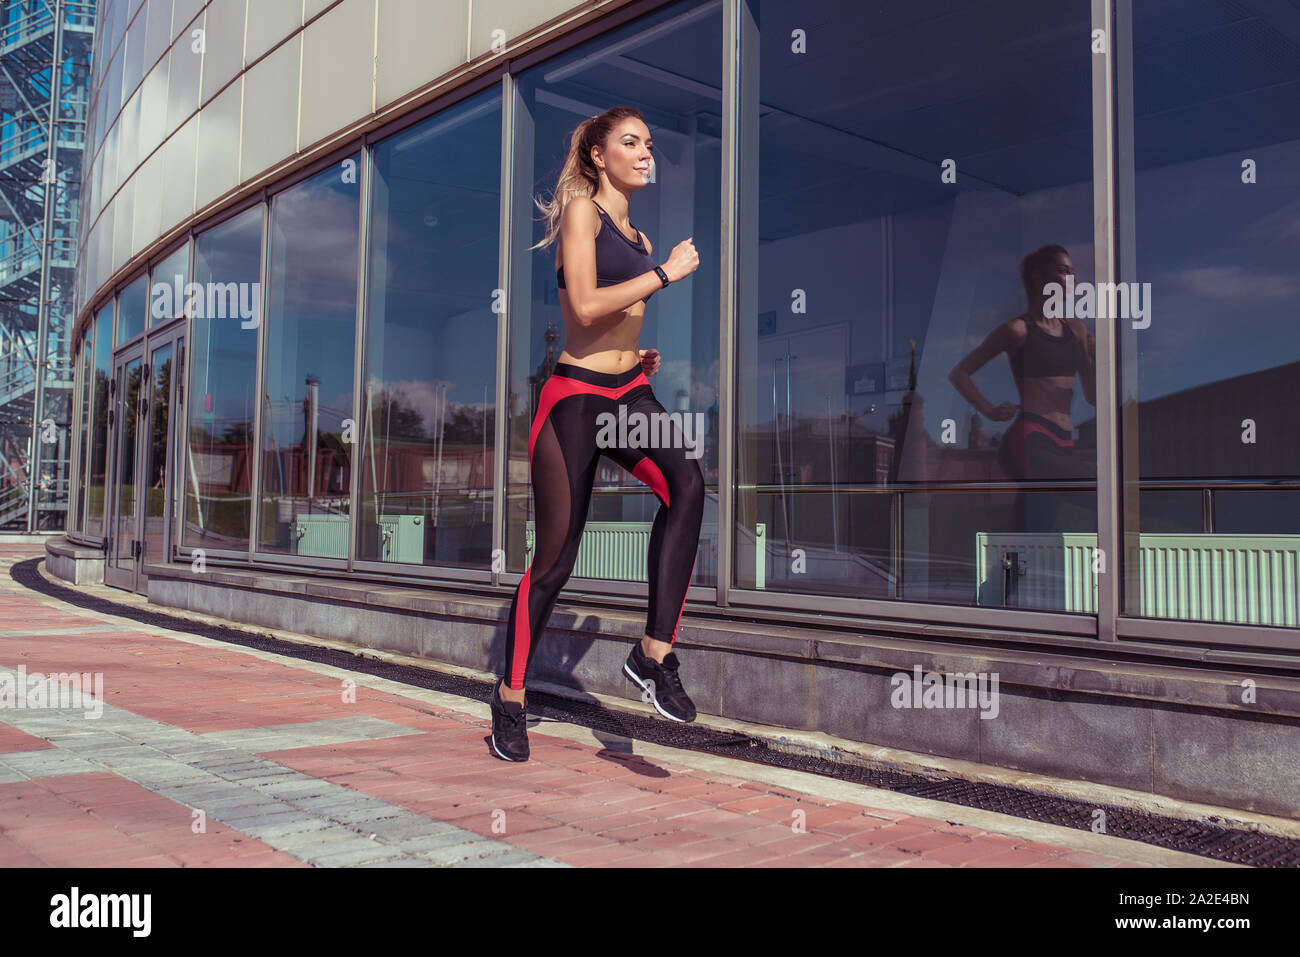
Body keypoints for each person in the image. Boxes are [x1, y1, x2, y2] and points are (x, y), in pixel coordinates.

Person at [489, 106, 705, 762]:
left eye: (650, 143)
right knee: (555, 561)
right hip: (574, 401)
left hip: (625, 393)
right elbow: (581, 306)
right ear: (599, 157)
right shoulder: (583, 212)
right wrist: (665, 273)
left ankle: (653, 654)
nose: (646, 154)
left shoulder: (637, 238)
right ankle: (510, 696)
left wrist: (635, 356)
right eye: (632, 143)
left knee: (689, 484)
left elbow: (613, 321)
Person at [949, 244, 1097, 533]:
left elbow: (1093, 396)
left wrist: (1095, 357)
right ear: (1038, 278)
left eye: (1073, 272)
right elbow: (960, 373)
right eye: (1063, 270)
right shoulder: (1018, 330)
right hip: (1031, 440)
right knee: (1103, 494)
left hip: (1065, 443)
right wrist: (989, 410)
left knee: (1032, 530)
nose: (1072, 278)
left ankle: (1002, 577)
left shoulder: (1076, 329)